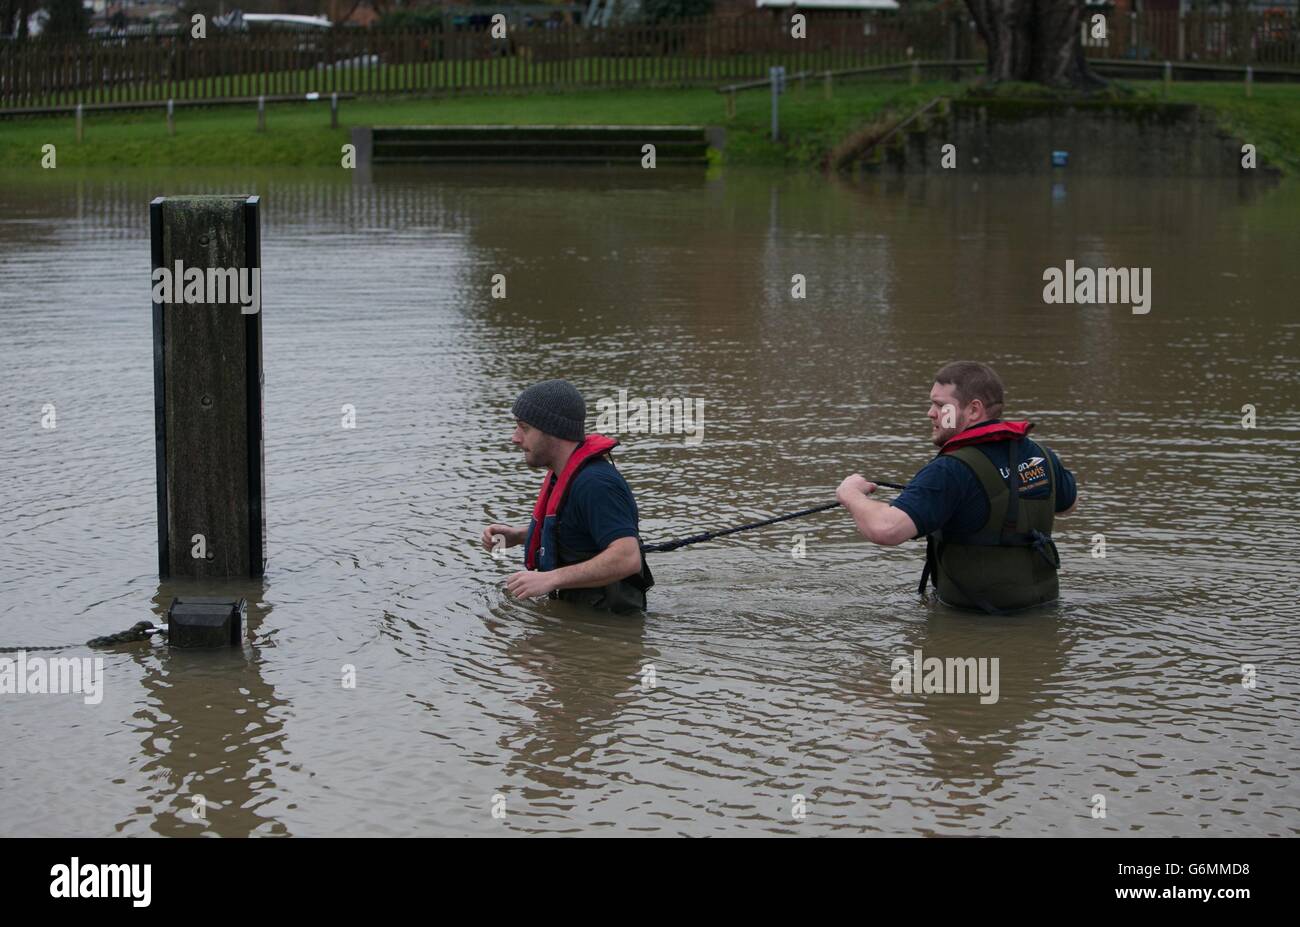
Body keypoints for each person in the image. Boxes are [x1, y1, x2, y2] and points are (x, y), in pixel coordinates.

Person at [836, 361, 1077, 613]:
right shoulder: (1041, 454)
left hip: (976, 621)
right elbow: (1068, 504)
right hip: (1045, 610)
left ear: (973, 410)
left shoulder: (950, 470)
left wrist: (851, 494)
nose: (931, 413)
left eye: (940, 405)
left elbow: (886, 529)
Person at [481, 379, 653, 613]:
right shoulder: (563, 476)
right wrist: (520, 535)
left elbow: (627, 557)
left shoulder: (596, 483)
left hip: (608, 629)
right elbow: (575, 530)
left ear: (552, 430)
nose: (515, 437)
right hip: (585, 619)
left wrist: (550, 579)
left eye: (524, 428)